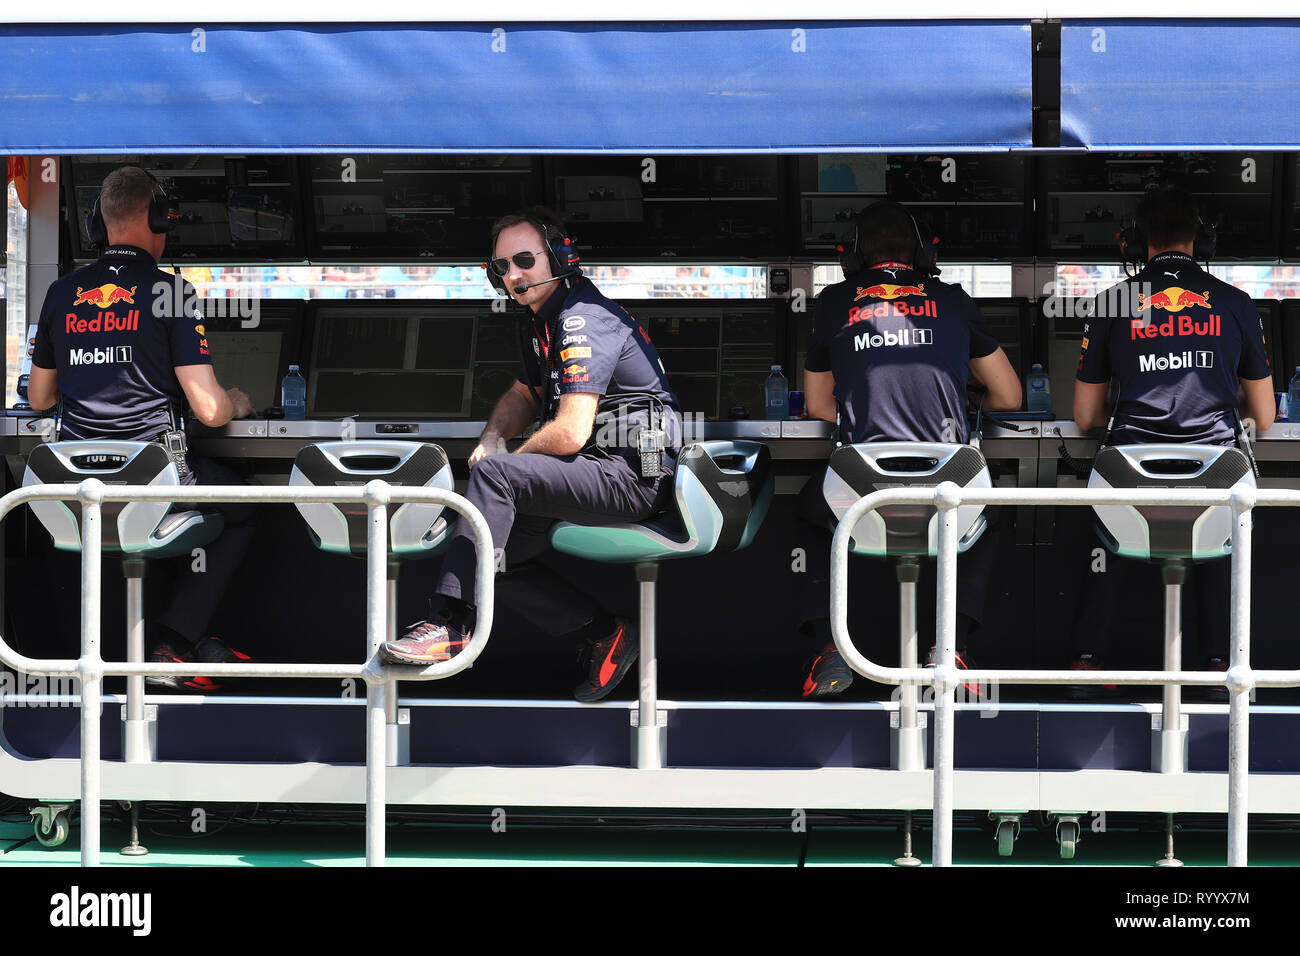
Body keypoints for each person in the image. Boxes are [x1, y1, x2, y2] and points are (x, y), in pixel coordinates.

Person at [379, 208, 682, 703]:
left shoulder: (582, 317)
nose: (514, 275)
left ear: (560, 257)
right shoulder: (541, 321)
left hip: (631, 476)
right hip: (594, 471)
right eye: (502, 267)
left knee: (494, 484)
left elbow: (569, 433)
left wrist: (505, 462)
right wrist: (492, 435)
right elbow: (525, 391)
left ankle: (449, 625)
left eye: (524, 260)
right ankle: (606, 631)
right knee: (490, 551)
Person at [27, 165, 258, 692]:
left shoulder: (63, 292)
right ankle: (176, 639)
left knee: (190, 500)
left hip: (79, 496)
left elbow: (39, 397)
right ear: (160, 218)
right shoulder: (170, 292)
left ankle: (186, 641)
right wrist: (236, 404)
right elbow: (207, 409)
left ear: (97, 223)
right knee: (245, 506)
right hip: (156, 489)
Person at [797, 200, 1022, 697]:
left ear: (851, 258)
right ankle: (952, 647)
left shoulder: (834, 302)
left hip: (862, 494)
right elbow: (1009, 397)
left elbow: (816, 405)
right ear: (923, 254)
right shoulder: (955, 300)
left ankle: (830, 648)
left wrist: (865, 414)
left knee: (810, 513)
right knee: (991, 517)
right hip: (947, 491)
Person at [1070, 185, 1275, 698]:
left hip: (1129, 479)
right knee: (1219, 537)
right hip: (1216, 479)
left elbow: (1085, 415)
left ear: (1136, 244)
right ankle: (1220, 667)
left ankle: (1088, 660)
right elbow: (1265, 418)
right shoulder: (1235, 302)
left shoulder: (1114, 300)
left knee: (1104, 535)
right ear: (1201, 243)